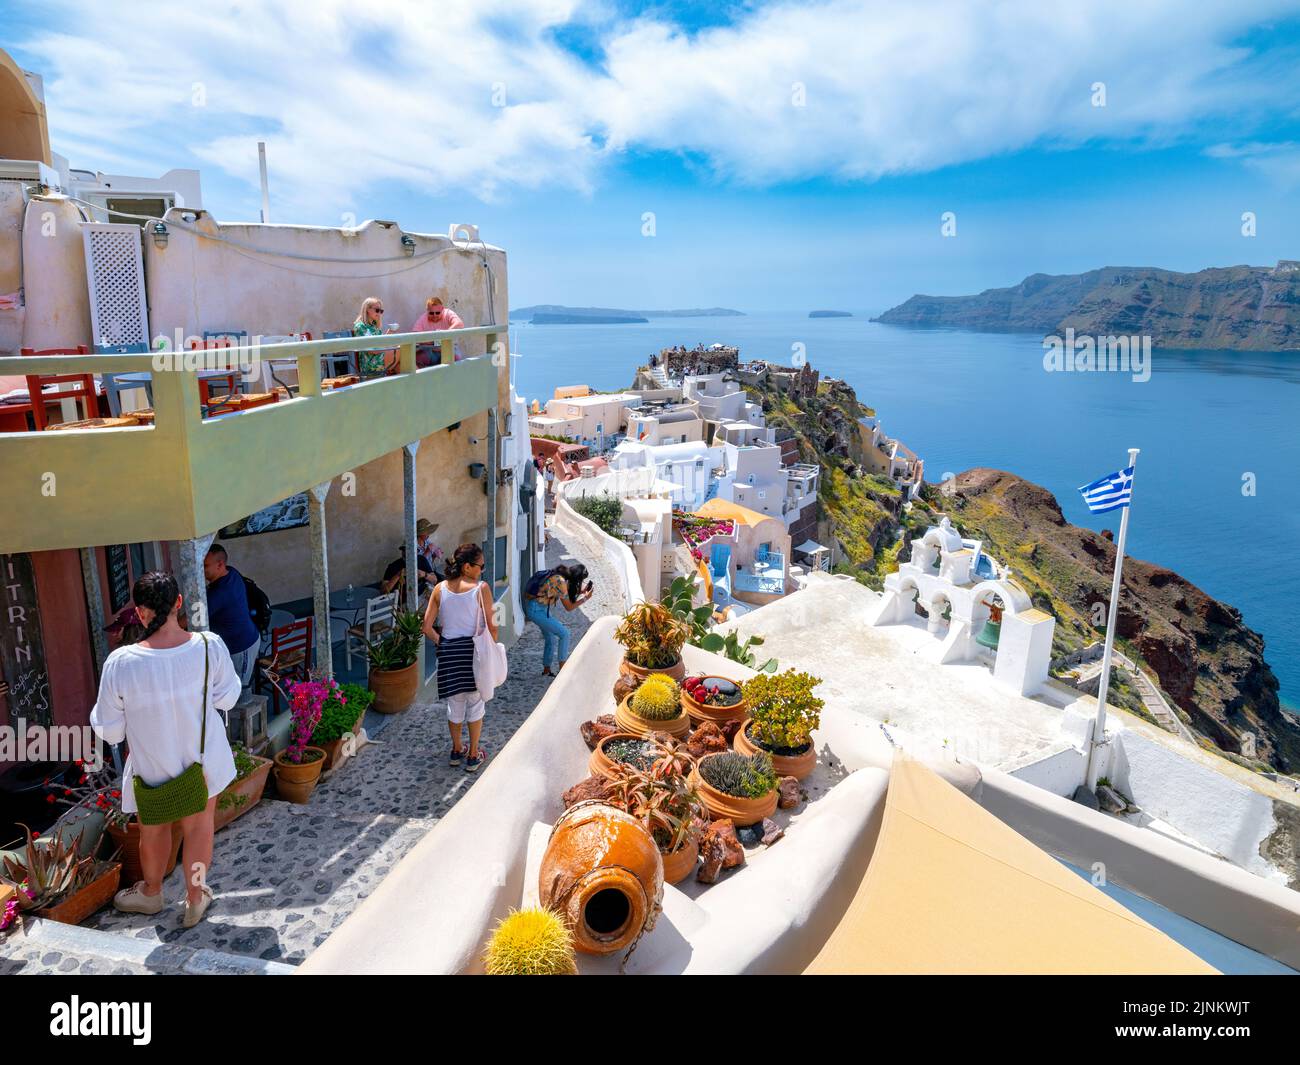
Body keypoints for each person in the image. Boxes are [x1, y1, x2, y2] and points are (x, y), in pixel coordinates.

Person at [89, 571, 240, 928]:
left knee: (153, 831)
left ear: (140, 612)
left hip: (150, 763)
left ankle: (151, 892)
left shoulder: (121, 663)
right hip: (203, 762)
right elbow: (228, 697)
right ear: (178, 603)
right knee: (199, 829)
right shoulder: (208, 645)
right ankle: (195, 895)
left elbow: (109, 730)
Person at [422, 544, 498, 773]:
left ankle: (456, 750)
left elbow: (426, 627)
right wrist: (492, 650)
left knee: (454, 703)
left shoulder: (439, 589)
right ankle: (474, 755)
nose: (482, 571)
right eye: (480, 566)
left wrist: (443, 643)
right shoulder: (480, 588)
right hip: (472, 653)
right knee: (475, 704)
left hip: (448, 654)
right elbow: (493, 626)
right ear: (467, 567)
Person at [204, 543, 260, 696]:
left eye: (205, 565)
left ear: (220, 564)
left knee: (240, 691)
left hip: (242, 647)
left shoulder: (220, 592)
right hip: (237, 644)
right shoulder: (232, 573)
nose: (202, 570)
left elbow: (192, 619)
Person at [523, 563, 592, 677]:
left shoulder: (560, 575)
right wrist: (585, 598)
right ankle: (563, 671)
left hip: (538, 607)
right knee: (564, 634)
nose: (581, 583)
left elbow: (564, 594)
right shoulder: (561, 582)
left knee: (550, 637)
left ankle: (546, 670)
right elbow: (569, 607)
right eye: (581, 581)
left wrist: (580, 592)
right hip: (536, 611)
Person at [352, 296, 397, 377]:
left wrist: (389, 333)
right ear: (367, 309)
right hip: (370, 364)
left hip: (378, 359)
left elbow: (380, 344)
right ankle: (417, 381)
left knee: (401, 360)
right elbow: (372, 350)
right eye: (377, 310)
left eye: (381, 311)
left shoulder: (373, 326)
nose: (379, 313)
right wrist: (388, 346)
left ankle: (413, 382)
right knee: (402, 350)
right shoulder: (360, 326)